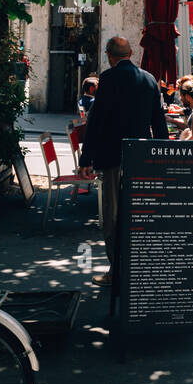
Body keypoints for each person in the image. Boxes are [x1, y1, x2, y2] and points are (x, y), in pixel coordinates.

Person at [77, 36, 169, 287]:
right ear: (131, 54)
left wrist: (87, 158)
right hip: (144, 159)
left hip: (114, 157)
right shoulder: (149, 79)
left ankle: (117, 271)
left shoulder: (107, 79)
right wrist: (162, 156)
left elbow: (96, 122)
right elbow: (159, 123)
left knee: (113, 216)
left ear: (109, 55)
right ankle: (140, 268)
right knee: (142, 215)